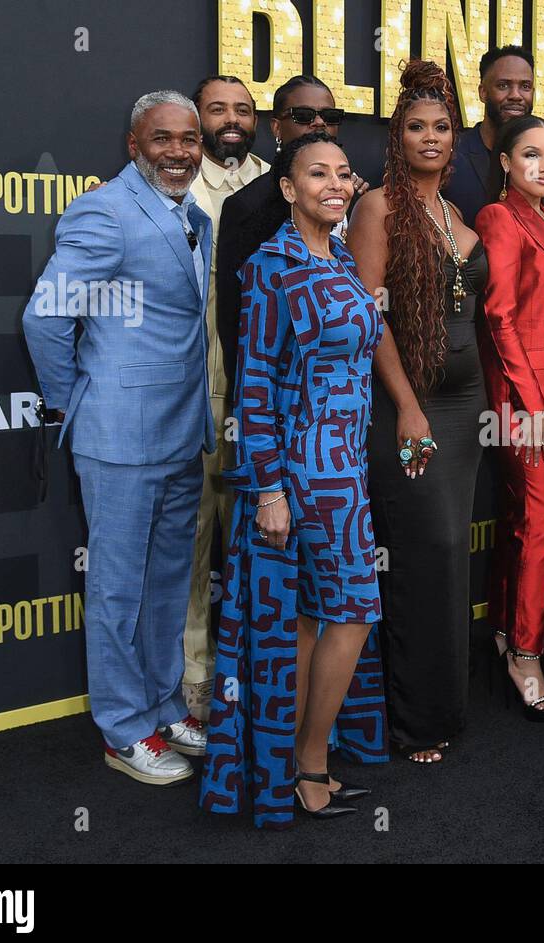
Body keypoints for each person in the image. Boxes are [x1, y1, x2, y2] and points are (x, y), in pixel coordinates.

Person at [22, 91, 214, 784]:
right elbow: (47, 319)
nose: (179, 151)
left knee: (167, 585)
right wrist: (76, 403)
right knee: (116, 590)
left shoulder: (195, 218)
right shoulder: (104, 210)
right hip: (119, 437)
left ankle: (164, 704)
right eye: (163, 138)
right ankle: (122, 727)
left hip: (181, 433)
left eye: (189, 139)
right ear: (134, 144)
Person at [200, 133, 382, 827]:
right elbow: (255, 387)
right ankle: (309, 765)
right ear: (286, 188)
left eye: (342, 173)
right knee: (355, 610)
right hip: (307, 475)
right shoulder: (271, 267)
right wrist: (269, 489)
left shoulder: (338, 256)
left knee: (309, 616)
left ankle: (291, 769)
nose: (334, 184)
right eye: (316, 173)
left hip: (346, 468)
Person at [346, 61, 488, 761]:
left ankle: (445, 710)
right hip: (412, 408)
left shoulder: (454, 214)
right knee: (424, 553)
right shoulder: (378, 209)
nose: (429, 138)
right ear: (395, 138)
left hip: (467, 407)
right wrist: (406, 406)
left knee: (450, 557)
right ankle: (413, 722)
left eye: (440, 127)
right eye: (414, 127)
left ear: (454, 139)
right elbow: (369, 319)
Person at [474, 115, 544, 723]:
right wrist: (532, 406)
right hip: (521, 395)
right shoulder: (498, 217)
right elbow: (499, 315)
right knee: (540, 518)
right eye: (532, 155)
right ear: (507, 162)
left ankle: (506, 633)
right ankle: (527, 656)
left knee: (522, 518)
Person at [179, 74, 272, 721]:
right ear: (199, 119)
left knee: (268, 527)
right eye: (219, 109)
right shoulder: (176, 187)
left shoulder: (282, 180)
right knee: (200, 530)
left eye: (243, 109)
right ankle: (194, 670)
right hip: (204, 383)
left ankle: (261, 665)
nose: (232, 120)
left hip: (272, 383)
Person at [216, 76, 365, 406]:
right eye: (302, 115)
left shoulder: (352, 197)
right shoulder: (246, 207)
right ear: (276, 127)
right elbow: (234, 322)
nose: (318, 124)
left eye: (329, 116)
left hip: (343, 404)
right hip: (283, 402)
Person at [443, 44, 535, 226]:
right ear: (483, 92)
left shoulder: (543, 160)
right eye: (503, 85)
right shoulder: (451, 154)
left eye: (525, 86)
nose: (516, 95)